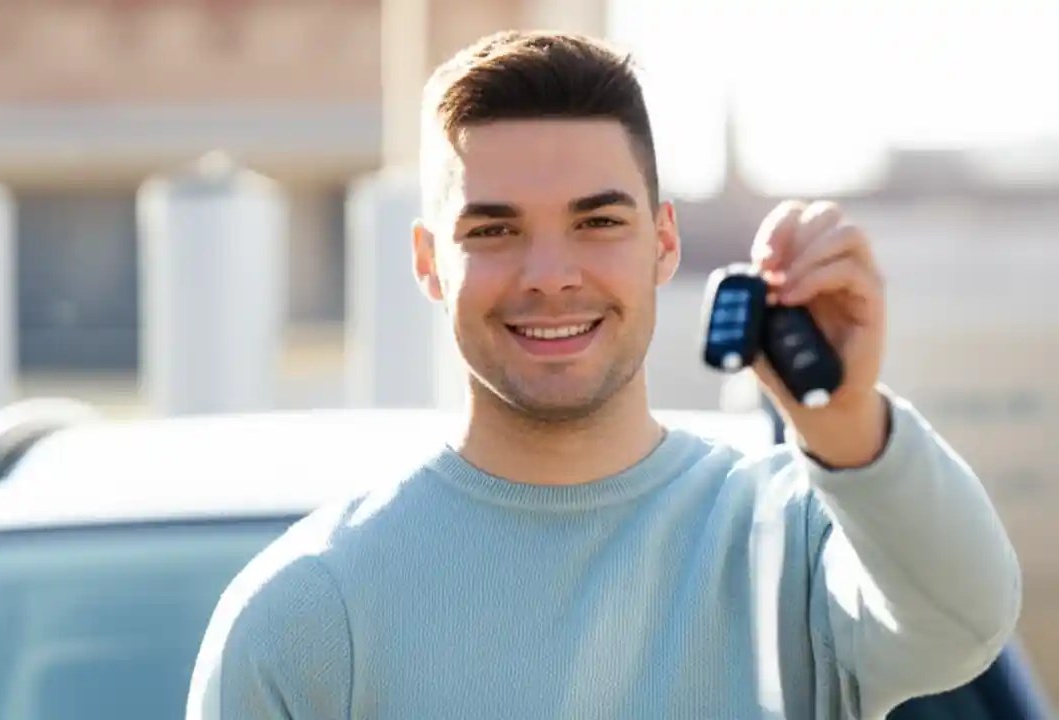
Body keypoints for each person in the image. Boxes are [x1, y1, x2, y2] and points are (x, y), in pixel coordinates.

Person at [186, 30, 1021, 719]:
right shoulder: (306, 616)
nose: (550, 274)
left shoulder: (789, 547)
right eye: (494, 231)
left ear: (664, 242)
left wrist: (842, 420)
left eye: (597, 221)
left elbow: (965, 620)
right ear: (427, 263)